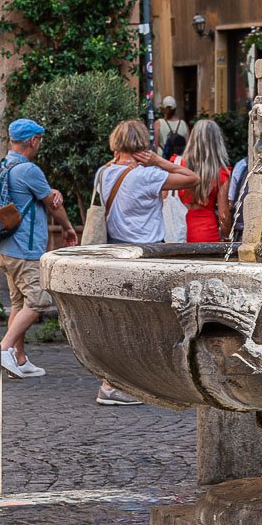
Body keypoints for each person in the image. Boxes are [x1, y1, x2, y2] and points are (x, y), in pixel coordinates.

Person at [94, 118, 199, 405]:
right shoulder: (148, 175)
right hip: (147, 253)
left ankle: (118, 381)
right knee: (143, 320)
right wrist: (160, 161)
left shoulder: (104, 173)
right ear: (143, 145)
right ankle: (114, 385)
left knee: (121, 318)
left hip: (114, 249)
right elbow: (191, 178)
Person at [0, 118, 78, 379]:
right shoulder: (29, 169)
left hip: (7, 248)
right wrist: (67, 228)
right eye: (39, 140)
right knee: (39, 301)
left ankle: (19, 360)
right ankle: (3, 349)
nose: (39, 144)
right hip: (25, 249)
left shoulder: (5, 165)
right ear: (32, 140)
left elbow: (38, 195)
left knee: (18, 304)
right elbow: (53, 204)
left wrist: (49, 191)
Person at [179, 118, 232, 242]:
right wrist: (227, 238)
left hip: (178, 232)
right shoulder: (221, 174)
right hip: (207, 234)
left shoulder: (177, 166)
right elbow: (224, 216)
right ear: (217, 142)